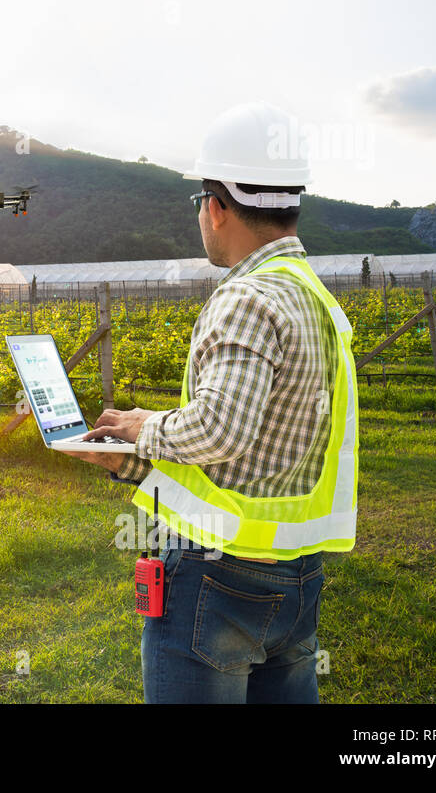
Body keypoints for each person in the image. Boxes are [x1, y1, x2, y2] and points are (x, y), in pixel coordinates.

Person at [60, 102, 359, 703]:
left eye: (199, 202)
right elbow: (256, 461)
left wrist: (145, 426)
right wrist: (131, 462)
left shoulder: (246, 296)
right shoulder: (315, 299)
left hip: (219, 580)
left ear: (217, 207)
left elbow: (221, 432)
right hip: (297, 576)